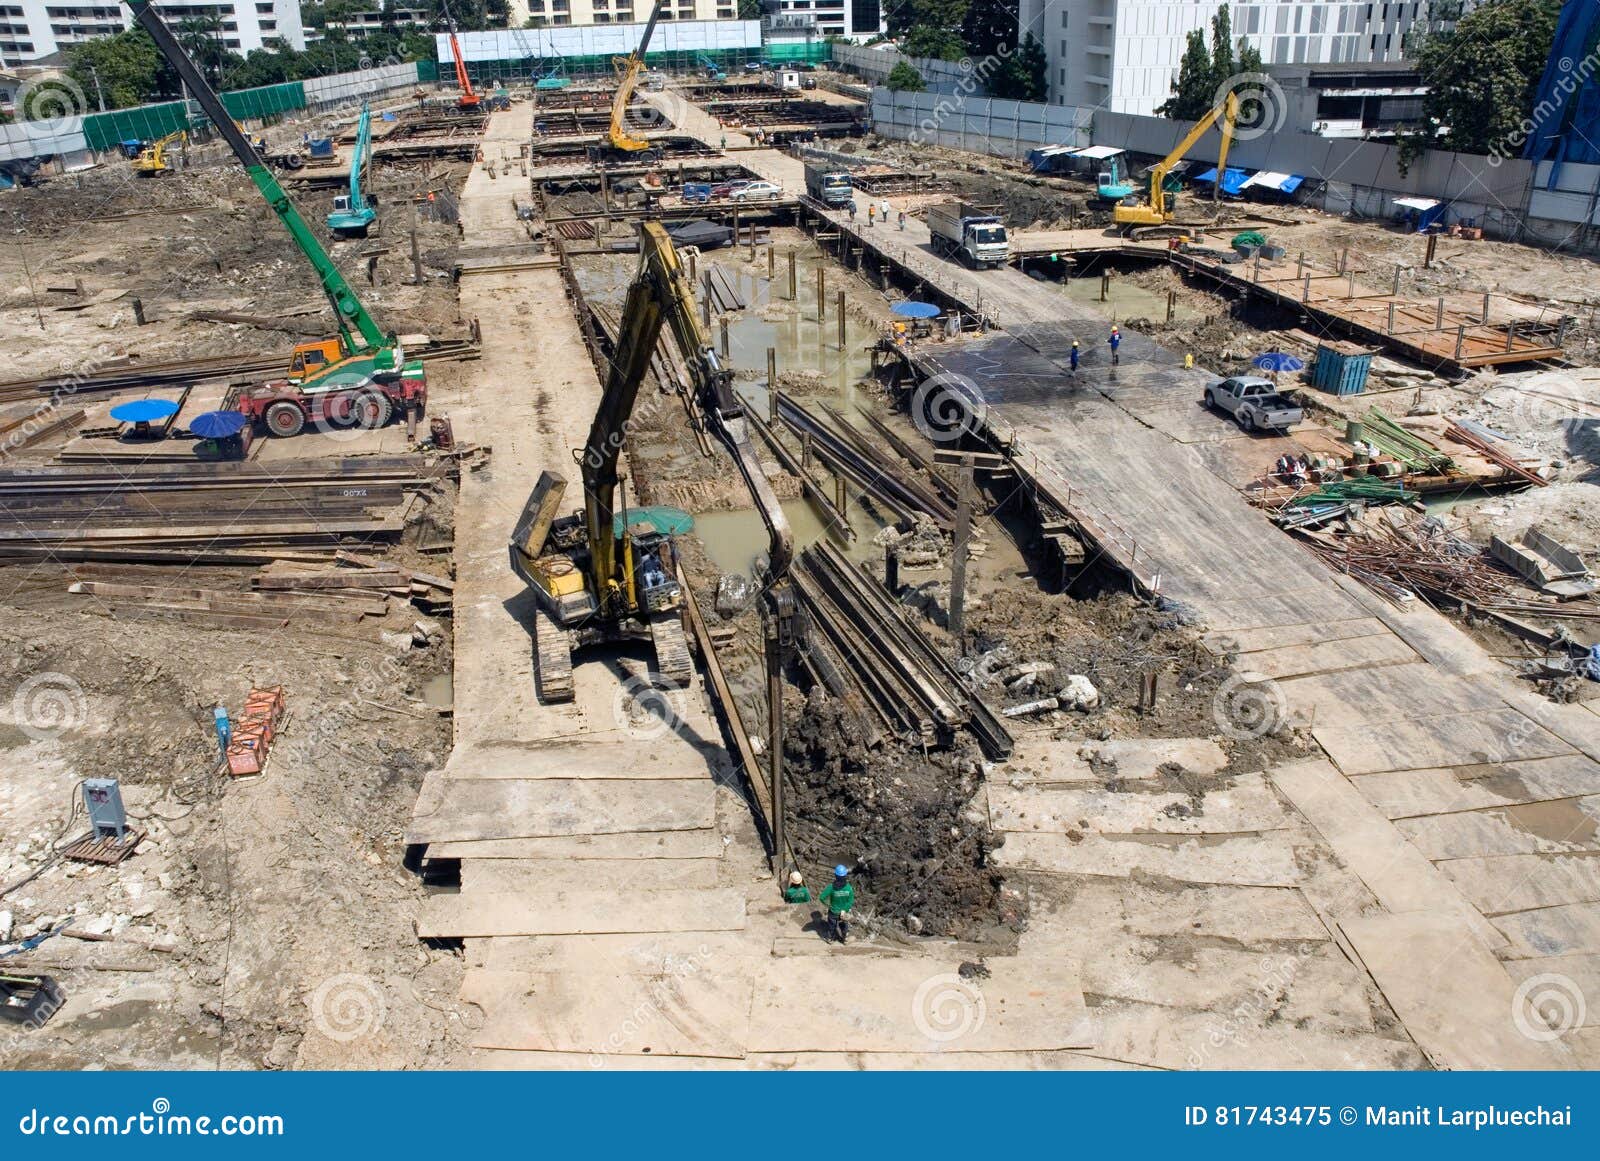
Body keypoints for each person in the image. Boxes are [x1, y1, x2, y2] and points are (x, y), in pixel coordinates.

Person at [819, 865, 855, 944]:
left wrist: (829, 905)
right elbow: (850, 901)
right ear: (845, 876)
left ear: (835, 875)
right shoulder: (849, 888)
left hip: (833, 911)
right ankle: (845, 939)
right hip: (843, 912)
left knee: (832, 925)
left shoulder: (831, 887)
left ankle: (830, 939)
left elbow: (821, 898)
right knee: (844, 925)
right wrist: (844, 909)